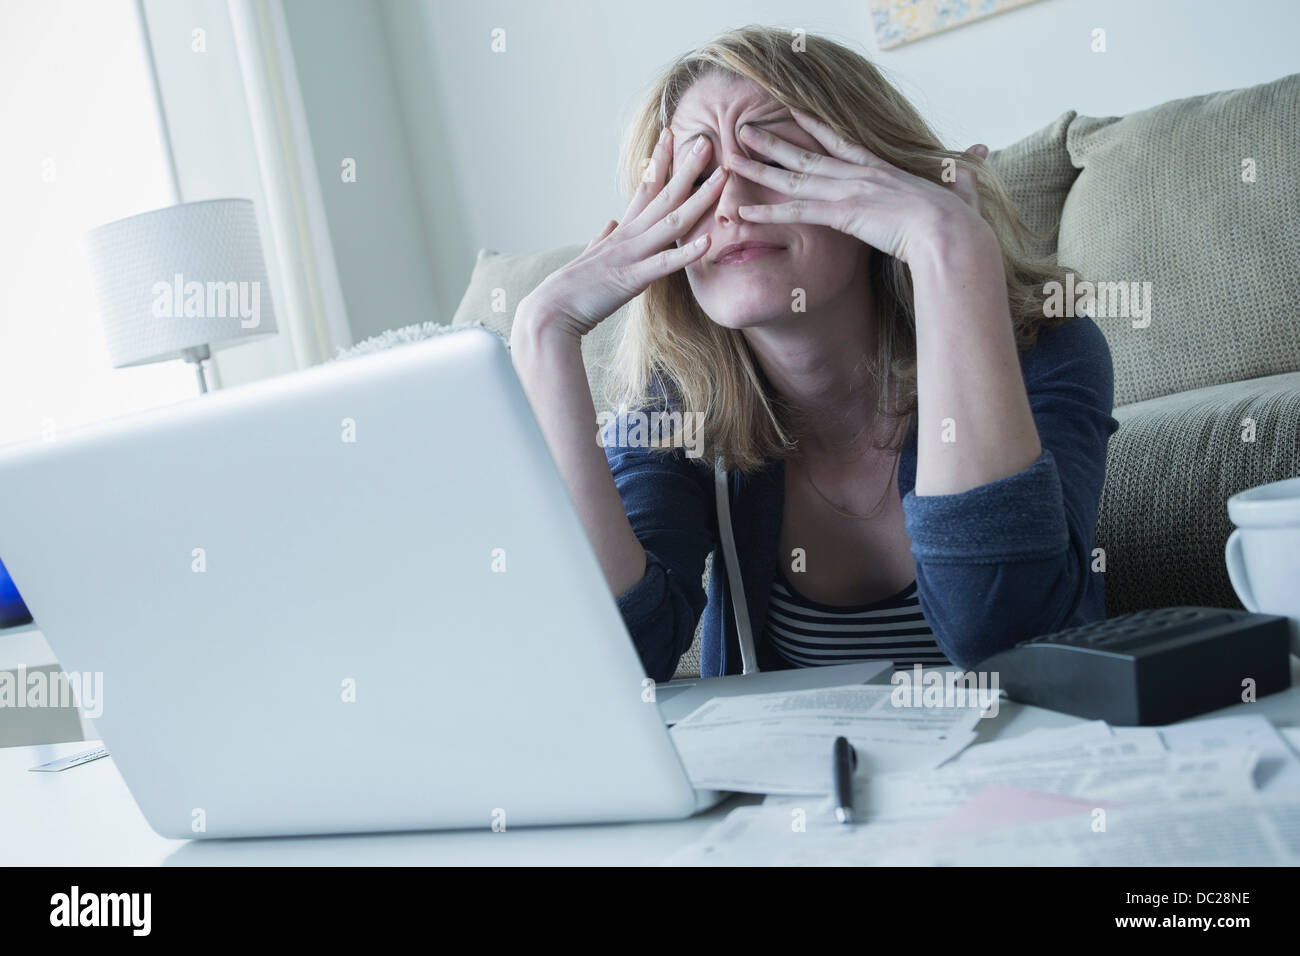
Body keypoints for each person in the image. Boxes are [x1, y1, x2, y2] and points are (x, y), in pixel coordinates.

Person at [510, 25, 1118, 682]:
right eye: (700, 179)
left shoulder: (1044, 351)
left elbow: (1003, 632)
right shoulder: (678, 404)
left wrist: (949, 249)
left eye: (773, 161)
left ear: (878, 185)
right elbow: (625, 658)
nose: (734, 206)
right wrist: (544, 335)